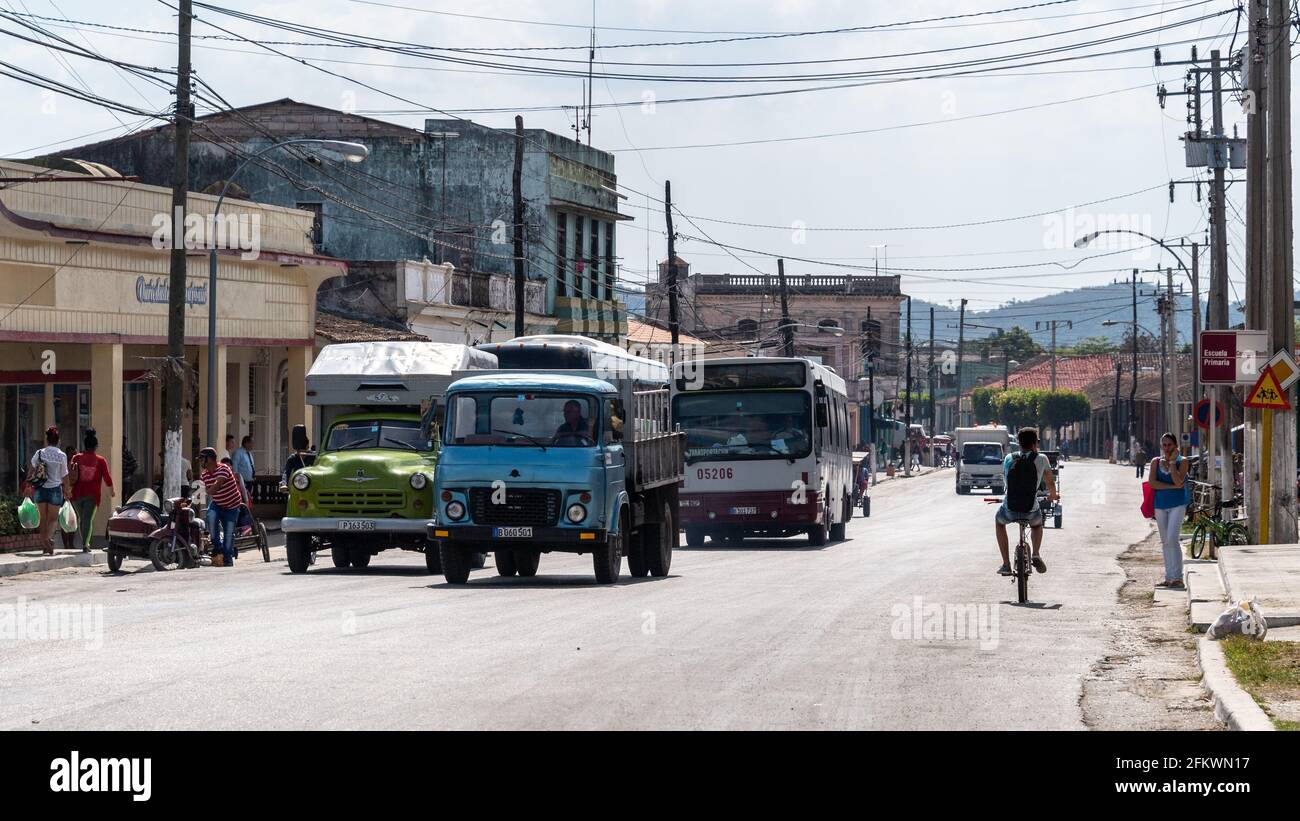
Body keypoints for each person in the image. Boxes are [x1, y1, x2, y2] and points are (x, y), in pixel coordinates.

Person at [994, 427, 1059, 577]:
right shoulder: (1042, 459)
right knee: (1037, 524)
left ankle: (1006, 564)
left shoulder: (1009, 458)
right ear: (1035, 442)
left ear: (1018, 442)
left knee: (999, 522)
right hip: (1031, 509)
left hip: (1010, 509)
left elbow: (1006, 483)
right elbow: (1050, 482)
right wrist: (1053, 496)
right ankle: (1035, 553)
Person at [1149, 432, 1190, 590]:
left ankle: (1178, 577)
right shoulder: (1155, 461)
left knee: (1173, 538)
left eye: (1169, 445)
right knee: (1165, 541)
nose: (1166, 448)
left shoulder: (1183, 461)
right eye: (1164, 445)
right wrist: (1172, 487)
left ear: (1175, 446)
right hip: (1160, 506)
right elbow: (1153, 483)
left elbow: (1179, 480)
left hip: (1177, 505)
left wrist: (1172, 463)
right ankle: (1169, 577)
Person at [68, 430, 114, 553]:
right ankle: (85, 544)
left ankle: (85, 542)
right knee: (87, 518)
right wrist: (112, 491)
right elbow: (107, 478)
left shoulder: (76, 457)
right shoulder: (100, 460)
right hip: (92, 495)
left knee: (82, 518)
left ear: (85, 445)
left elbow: (69, 474)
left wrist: (67, 489)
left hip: (76, 493)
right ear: (96, 446)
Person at [28, 426, 69, 556]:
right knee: (53, 518)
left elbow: (31, 469)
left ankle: (45, 546)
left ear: (47, 440)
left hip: (40, 488)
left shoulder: (40, 452)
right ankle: (48, 539)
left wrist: (28, 484)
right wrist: (67, 490)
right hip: (55, 490)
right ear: (58, 440)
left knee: (43, 518)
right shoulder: (62, 455)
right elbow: (65, 475)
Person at [199, 447, 243, 567]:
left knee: (229, 534)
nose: (200, 461)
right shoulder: (204, 475)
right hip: (218, 503)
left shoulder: (224, 469)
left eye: (202, 459)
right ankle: (217, 548)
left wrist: (207, 490)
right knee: (210, 516)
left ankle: (227, 559)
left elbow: (216, 487)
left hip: (232, 506)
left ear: (210, 459)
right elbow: (202, 490)